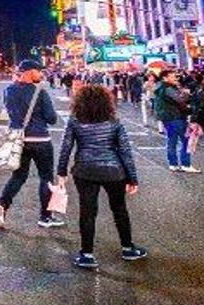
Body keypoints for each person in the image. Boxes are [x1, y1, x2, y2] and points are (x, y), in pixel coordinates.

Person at [55, 84, 146, 269]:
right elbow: (125, 151)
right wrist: (132, 178)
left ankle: (87, 254)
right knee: (119, 209)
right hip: (114, 171)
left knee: (87, 211)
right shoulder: (114, 121)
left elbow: (66, 147)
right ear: (107, 101)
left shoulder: (74, 120)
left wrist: (62, 171)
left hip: (85, 170)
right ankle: (128, 248)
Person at [0, 59, 63, 230]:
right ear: (30, 72)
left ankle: (2, 204)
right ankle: (45, 217)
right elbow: (52, 119)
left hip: (19, 140)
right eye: (39, 71)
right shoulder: (40, 92)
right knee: (46, 178)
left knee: (18, 176)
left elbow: (10, 113)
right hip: (40, 140)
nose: (41, 75)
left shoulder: (9, 91)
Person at [153, 69, 196, 173]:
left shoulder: (161, 87)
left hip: (167, 118)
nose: (175, 78)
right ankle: (186, 164)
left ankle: (173, 164)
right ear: (165, 78)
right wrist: (186, 94)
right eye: (172, 76)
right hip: (175, 117)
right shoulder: (168, 88)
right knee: (186, 140)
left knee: (172, 140)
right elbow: (180, 99)